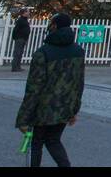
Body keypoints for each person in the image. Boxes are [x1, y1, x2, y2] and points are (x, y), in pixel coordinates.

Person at [15, 12, 85, 168]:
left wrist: (23, 117)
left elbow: (34, 87)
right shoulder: (78, 51)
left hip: (43, 107)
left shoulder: (43, 52)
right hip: (65, 106)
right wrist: (74, 109)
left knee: (36, 143)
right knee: (53, 140)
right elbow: (79, 84)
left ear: (54, 26)